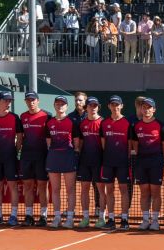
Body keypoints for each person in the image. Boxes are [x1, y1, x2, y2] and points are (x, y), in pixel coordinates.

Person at [130, 97, 164, 231]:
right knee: (144, 192)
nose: (146, 110)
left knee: (155, 192)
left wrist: (158, 157)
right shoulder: (136, 126)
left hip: (156, 162)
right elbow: (135, 144)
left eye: (149, 107)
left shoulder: (161, 126)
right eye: (144, 107)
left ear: (154, 110)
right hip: (141, 162)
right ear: (141, 109)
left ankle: (155, 220)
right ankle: (146, 220)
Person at [46, 95, 80, 229]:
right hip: (54, 156)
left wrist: (72, 154)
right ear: (54, 105)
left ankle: (70, 218)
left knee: (70, 189)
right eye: (58, 104)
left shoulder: (72, 122)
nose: (60, 106)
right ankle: (57, 217)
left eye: (62, 104)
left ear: (67, 106)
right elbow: (48, 142)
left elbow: (76, 144)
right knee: (55, 189)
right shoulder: (49, 123)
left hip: (68, 156)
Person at [98, 96, 132, 230]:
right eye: (112, 104)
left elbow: (129, 145)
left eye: (117, 104)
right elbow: (103, 144)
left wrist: (126, 158)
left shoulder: (127, 123)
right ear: (109, 106)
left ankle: (124, 219)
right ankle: (111, 219)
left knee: (124, 190)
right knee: (109, 190)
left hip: (123, 162)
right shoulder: (104, 123)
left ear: (121, 106)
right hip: (108, 162)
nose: (115, 107)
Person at [20, 92, 51, 226]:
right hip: (26, 156)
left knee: (43, 186)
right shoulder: (23, 116)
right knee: (27, 186)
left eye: (33, 100)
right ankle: (28, 215)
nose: (31, 102)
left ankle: (43, 216)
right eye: (28, 100)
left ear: (38, 101)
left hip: (42, 156)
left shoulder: (47, 116)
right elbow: (20, 137)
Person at [76, 97, 104, 227]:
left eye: (95, 105)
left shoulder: (102, 123)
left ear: (98, 107)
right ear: (86, 107)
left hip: (99, 161)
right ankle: (85, 217)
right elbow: (80, 143)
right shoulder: (82, 124)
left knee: (100, 190)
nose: (93, 108)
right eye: (90, 105)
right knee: (84, 189)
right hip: (85, 161)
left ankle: (102, 217)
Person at [0, 90, 23, 226]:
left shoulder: (15, 118)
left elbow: (20, 137)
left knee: (13, 186)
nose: (8, 103)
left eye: (10, 101)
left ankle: (13, 215)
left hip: (10, 158)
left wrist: (16, 151)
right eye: (5, 100)